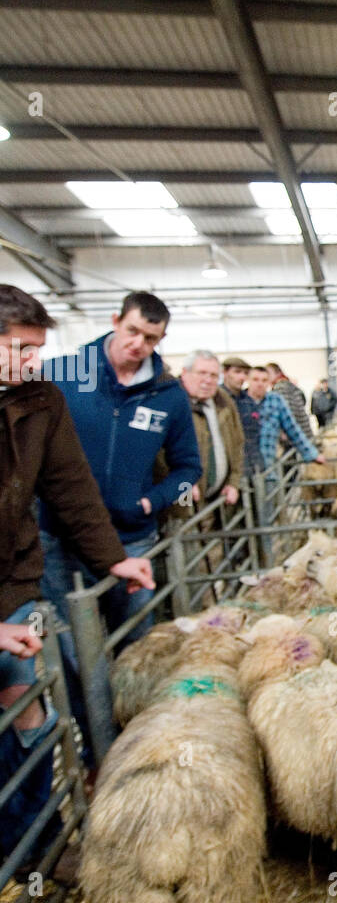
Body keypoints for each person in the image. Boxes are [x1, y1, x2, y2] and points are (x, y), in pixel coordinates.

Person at [0, 285, 153, 884]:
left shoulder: (41, 402)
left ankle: (33, 845)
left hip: (12, 579)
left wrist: (113, 558)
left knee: (30, 704)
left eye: (38, 348)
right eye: (20, 347)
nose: (32, 359)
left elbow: (70, 488)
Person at [40, 291, 200, 766]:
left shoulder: (168, 395)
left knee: (136, 646)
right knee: (71, 653)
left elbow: (188, 469)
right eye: (132, 331)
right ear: (115, 322)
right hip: (59, 540)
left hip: (133, 540)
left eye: (151, 338)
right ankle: (95, 754)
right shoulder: (66, 372)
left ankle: (140, 747)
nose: (139, 344)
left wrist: (152, 499)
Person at [176, 351, 244, 512]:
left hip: (219, 498)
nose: (207, 380)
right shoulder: (172, 403)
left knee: (216, 534)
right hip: (183, 493)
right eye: (201, 373)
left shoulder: (223, 401)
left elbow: (237, 443)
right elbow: (161, 456)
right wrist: (183, 485)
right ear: (185, 373)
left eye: (213, 375)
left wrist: (233, 482)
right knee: (185, 531)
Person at [246, 366, 325, 470]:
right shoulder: (239, 402)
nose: (260, 384)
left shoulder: (275, 400)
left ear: (269, 381)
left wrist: (312, 453)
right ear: (248, 380)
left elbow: (293, 428)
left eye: (264, 380)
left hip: (269, 465)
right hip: (246, 467)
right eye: (255, 379)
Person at [222, 355, 264, 477]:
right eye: (237, 372)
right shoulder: (217, 401)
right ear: (225, 372)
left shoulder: (248, 401)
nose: (242, 377)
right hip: (230, 474)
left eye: (245, 373)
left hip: (254, 469)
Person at [266, 361, 315, 440]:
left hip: (295, 435)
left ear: (278, 373)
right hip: (304, 432)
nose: (266, 376)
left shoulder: (280, 388)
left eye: (268, 373)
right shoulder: (289, 385)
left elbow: (285, 414)